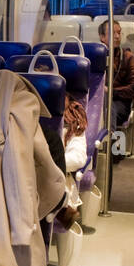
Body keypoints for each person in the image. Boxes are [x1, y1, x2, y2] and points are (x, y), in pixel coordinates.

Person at [99, 19, 134, 153]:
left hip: (121, 104)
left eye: (119, 33)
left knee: (109, 103)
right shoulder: (96, 57)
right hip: (100, 101)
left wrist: (111, 92)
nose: (117, 36)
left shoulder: (129, 58)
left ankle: (110, 138)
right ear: (102, 37)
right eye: (113, 33)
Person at [56, 97, 88, 227]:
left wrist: (50, 162)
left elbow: (78, 157)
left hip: (55, 172)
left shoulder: (72, 119)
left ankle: (61, 208)